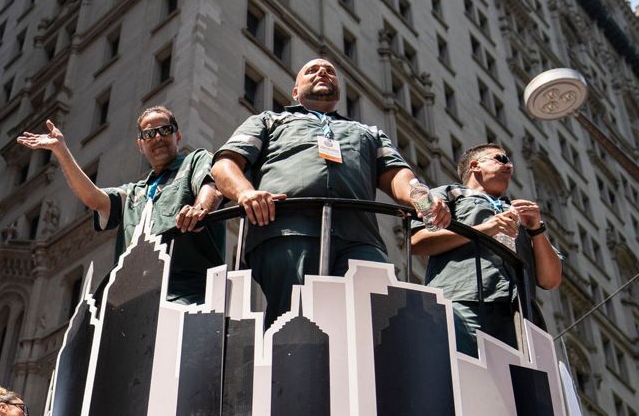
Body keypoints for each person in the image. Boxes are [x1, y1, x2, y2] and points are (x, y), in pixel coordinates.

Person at [212, 58, 450, 326]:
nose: (322, 72)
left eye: (330, 72)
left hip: (360, 237)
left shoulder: (368, 133)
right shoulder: (269, 121)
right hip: (287, 230)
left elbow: (396, 174)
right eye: (311, 70)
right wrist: (245, 193)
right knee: (293, 320)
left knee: (374, 317)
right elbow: (225, 164)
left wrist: (420, 196)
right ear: (295, 91)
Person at [18, 106, 224, 303]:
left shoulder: (194, 161)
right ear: (140, 145)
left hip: (190, 294)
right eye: (149, 133)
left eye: (165, 130)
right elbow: (93, 198)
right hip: (134, 300)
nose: (158, 137)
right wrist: (61, 150)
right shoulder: (133, 193)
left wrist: (199, 209)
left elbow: (211, 186)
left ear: (177, 136)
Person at [410, 143, 562, 355]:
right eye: (500, 159)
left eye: (510, 162)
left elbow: (550, 280)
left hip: (518, 316)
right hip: (462, 301)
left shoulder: (521, 214)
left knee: (513, 385)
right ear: (475, 165)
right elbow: (418, 241)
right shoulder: (449, 195)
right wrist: (486, 228)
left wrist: (537, 229)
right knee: (460, 368)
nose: (509, 166)